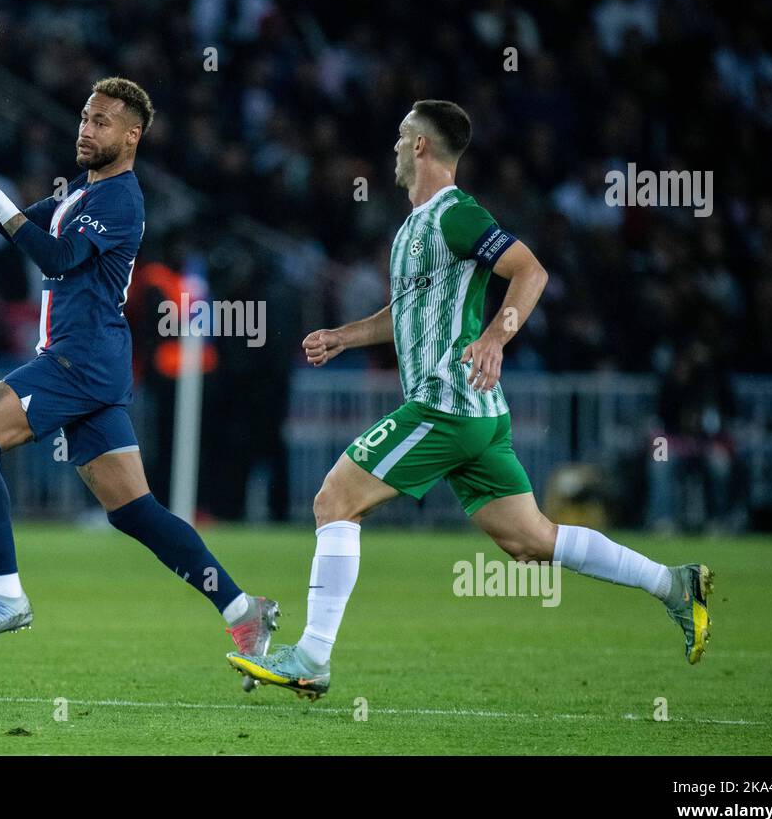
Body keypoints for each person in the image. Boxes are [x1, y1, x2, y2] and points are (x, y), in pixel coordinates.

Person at [229, 100, 714, 699]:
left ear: (422, 147)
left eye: (403, 136)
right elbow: (406, 314)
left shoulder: (456, 215)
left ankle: (312, 657)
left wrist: (495, 335)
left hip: (445, 404)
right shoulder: (413, 227)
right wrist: (344, 336)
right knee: (531, 540)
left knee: (335, 499)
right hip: (478, 416)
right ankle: (674, 584)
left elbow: (530, 271)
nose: (395, 147)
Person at [0, 77, 278, 664]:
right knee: (136, 512)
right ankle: (243, 610)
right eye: (85, 117)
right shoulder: (81, 193)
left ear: (132, 136)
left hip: (76, 361)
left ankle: (5, 594)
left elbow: (54, 256)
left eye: (102, 122)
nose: (86, 129)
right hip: (93, 365)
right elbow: (19, 229)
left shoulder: (121, 198)